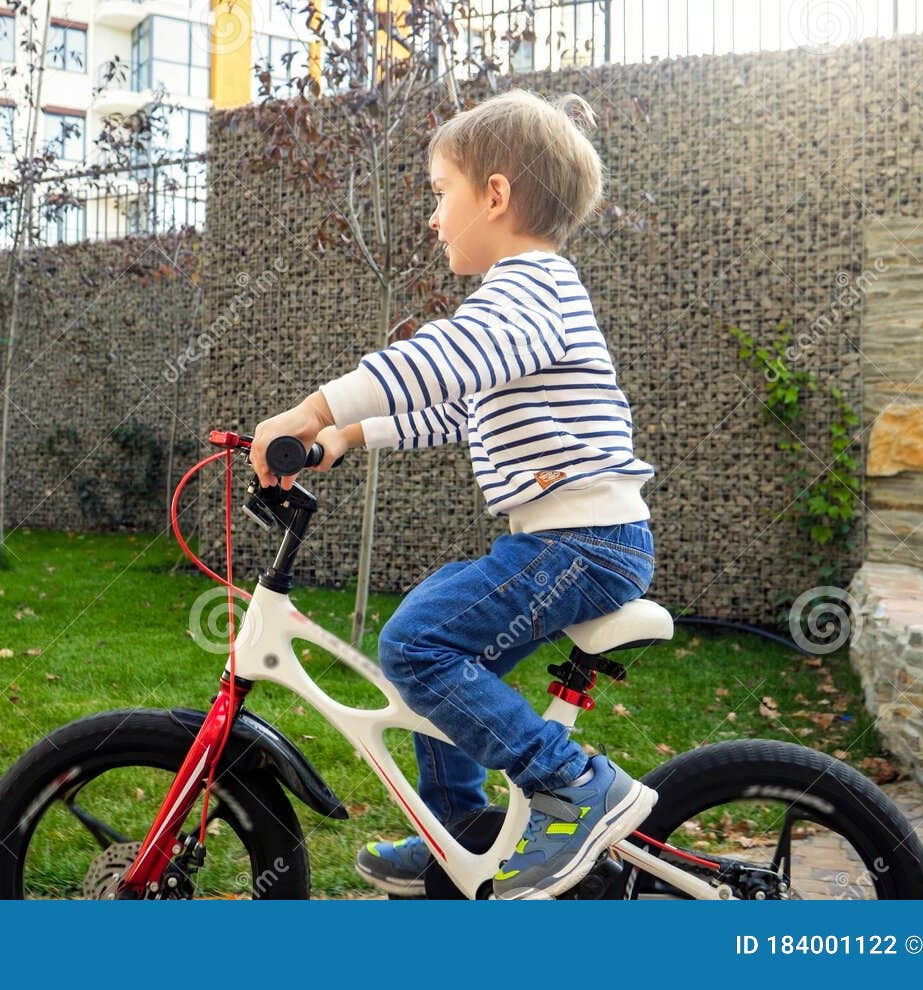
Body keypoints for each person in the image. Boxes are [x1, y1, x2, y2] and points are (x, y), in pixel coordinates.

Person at [249, 89, 658, 900]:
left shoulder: (530, 288)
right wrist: (346, 438)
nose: (434, 218)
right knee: (434, 630)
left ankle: (574, 785)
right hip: (565, 541)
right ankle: (460, 835)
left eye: (441, 194)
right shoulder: (526, 302)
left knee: (417, 644)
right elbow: (455, 408)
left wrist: (313, 408)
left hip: (583, 543)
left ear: (495, 196)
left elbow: (438, 360)